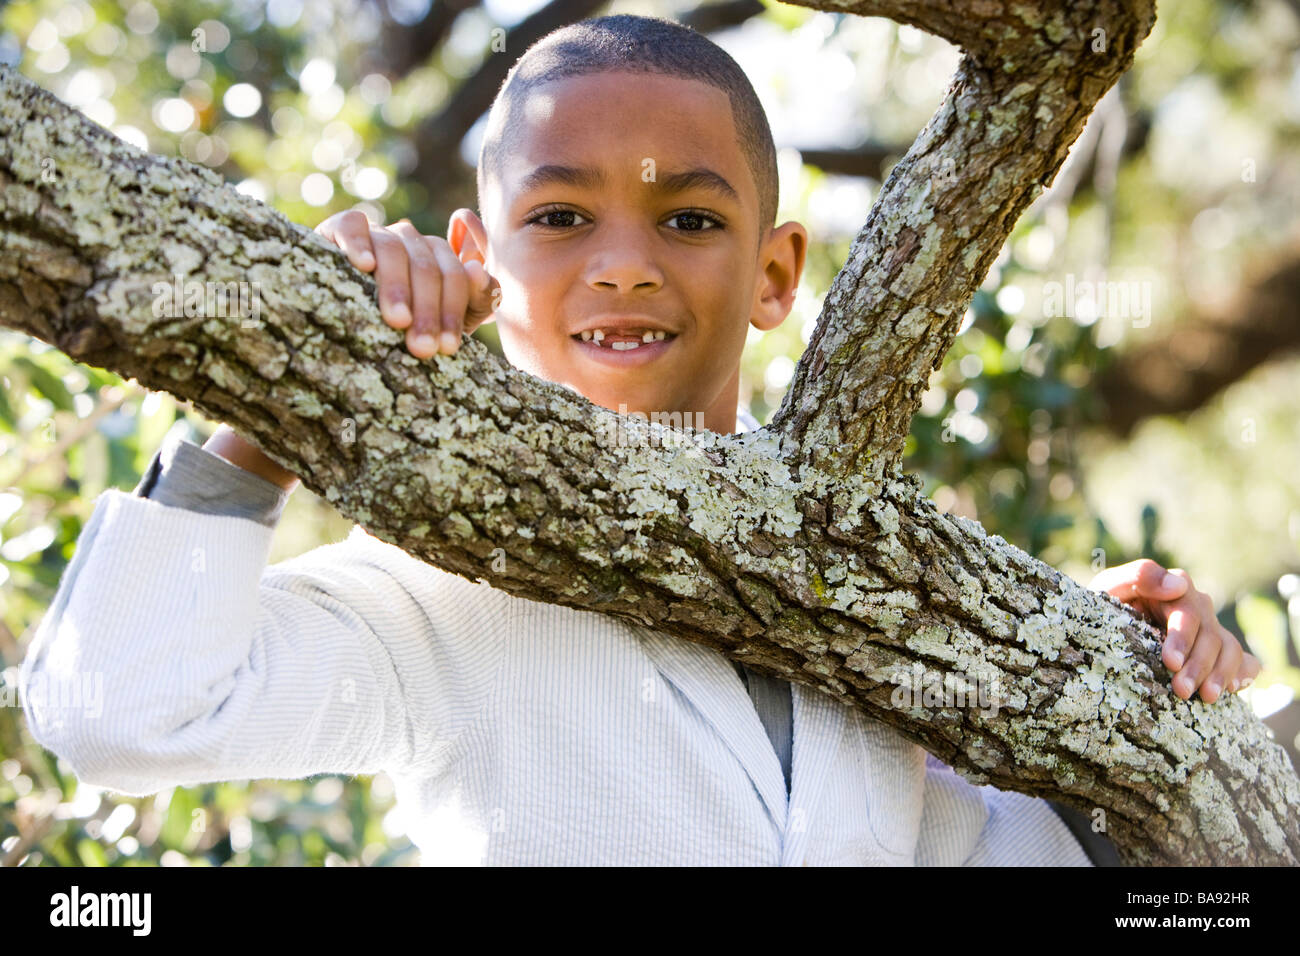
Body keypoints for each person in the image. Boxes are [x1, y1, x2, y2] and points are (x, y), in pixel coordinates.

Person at [20, 14, 1259, 866]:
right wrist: (271, 395)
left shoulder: (876, 584)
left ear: (776, 271)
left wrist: (1105, 667)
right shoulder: (433, 596)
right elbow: (119, 712)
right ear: (473, 263)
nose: (623, 265)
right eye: (559, 215)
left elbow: (1018, 856)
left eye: (687, 217)